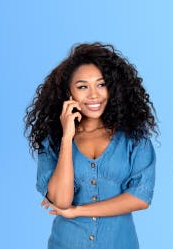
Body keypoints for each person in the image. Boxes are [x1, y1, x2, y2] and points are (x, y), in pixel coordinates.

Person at [24, 43, 158, 248]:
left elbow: (140, 197)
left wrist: (78, 211)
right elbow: (61, 201)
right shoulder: (52, 141)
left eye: (101, 84)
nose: (94, 95)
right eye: (82, 86)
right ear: (69, 93)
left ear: (114, 88)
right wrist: (67, 137)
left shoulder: (135, 138)